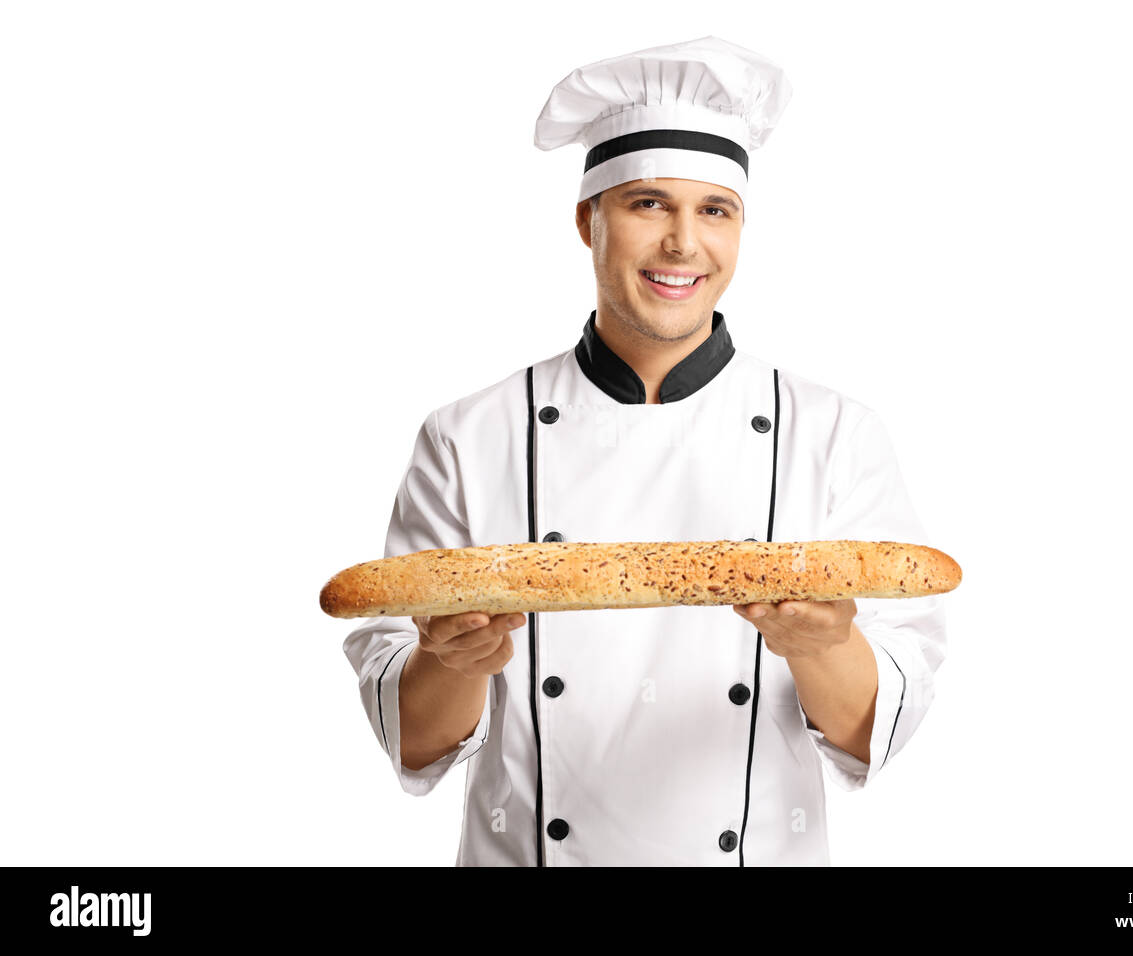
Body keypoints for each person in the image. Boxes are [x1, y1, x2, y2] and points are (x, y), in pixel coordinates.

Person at [341, 35, 948, 866]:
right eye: (649, 204)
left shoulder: (835, 432)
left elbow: (872, 732)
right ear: (588, 219)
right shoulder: (467, 434)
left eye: (715, 210)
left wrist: (822, 646)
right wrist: (451, 662)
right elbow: (411, 739)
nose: (683, 245)